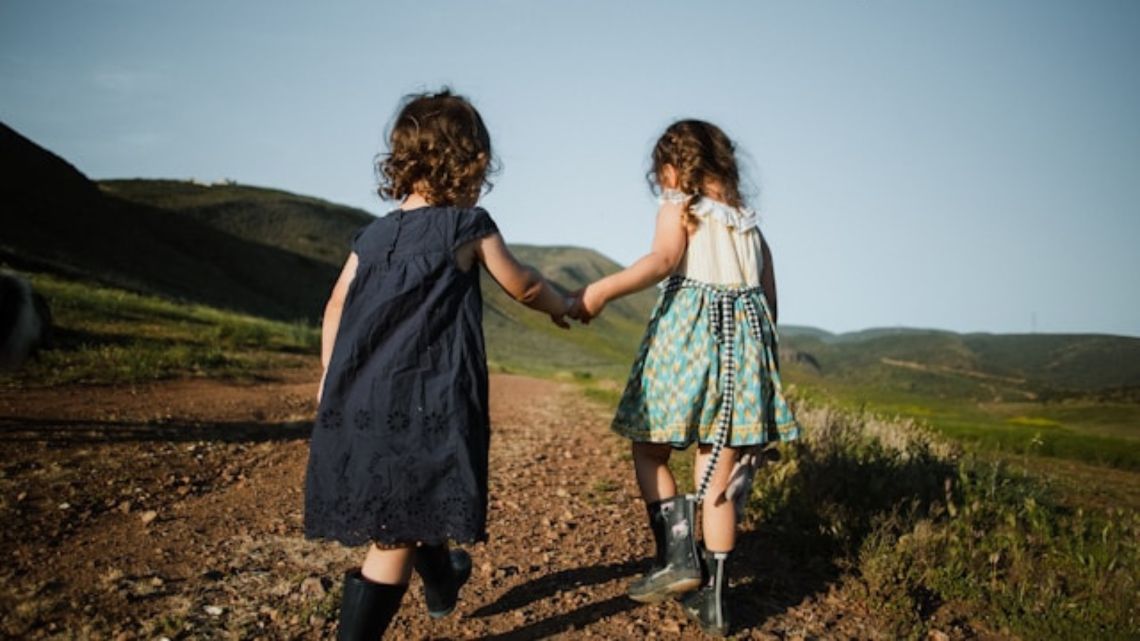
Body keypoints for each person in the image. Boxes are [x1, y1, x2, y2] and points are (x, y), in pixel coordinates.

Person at [304, 89, 572, 640]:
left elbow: (334, 305)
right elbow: (523, 286)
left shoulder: (371, 236)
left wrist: (330, 379)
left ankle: (444, 578)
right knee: (394, 535)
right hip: (427, 398)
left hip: (360, 396)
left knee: (408, 498)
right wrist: (563, 305)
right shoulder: (467, 226)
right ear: (471, 162)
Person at [571, 119, 800, 636]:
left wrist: (599, 292)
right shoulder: (751, 228)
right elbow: (770, 305)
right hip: (743, 358)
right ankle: (715, 602)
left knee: (650, 448)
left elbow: (662, 260)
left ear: (675, 169)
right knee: (717, 479)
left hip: (685, 347)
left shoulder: (681, 207)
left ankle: (677, 557)